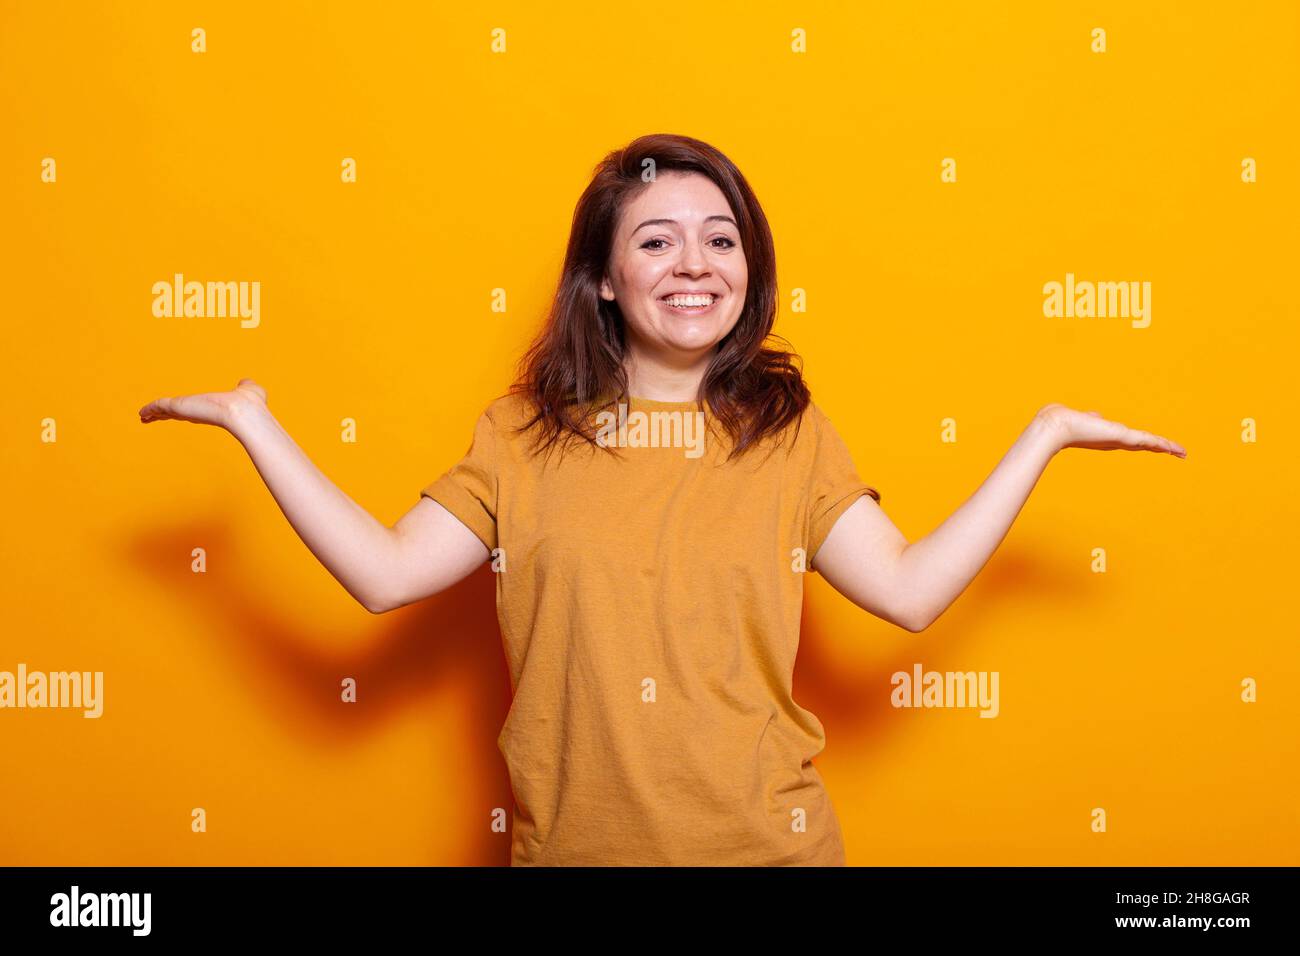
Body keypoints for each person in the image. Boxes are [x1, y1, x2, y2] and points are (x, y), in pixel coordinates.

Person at [138, 133, 1187, 866]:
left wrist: (1039, 437)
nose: (695, 263)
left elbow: (908, 592)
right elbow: (380, 577)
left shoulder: (785, 434)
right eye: (655, 240)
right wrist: (253, 423)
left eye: (720, 238)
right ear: (600, 277)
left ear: (749, 267)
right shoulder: (519, 438)